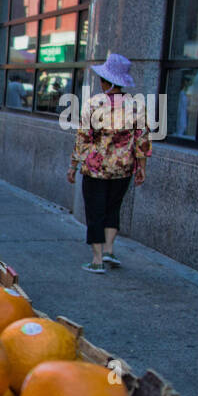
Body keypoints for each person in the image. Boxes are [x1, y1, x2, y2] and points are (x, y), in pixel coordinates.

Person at [68, 52, 152, 274]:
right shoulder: (136, 106)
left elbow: (82, 139)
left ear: (106, 81)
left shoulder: (94, 104)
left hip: (95, 168)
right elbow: (142, 139)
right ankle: (109, 249)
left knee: (95, 212)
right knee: (113, 208)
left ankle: (97, 260)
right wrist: (142, 168)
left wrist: (73, 166)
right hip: (123, 168)